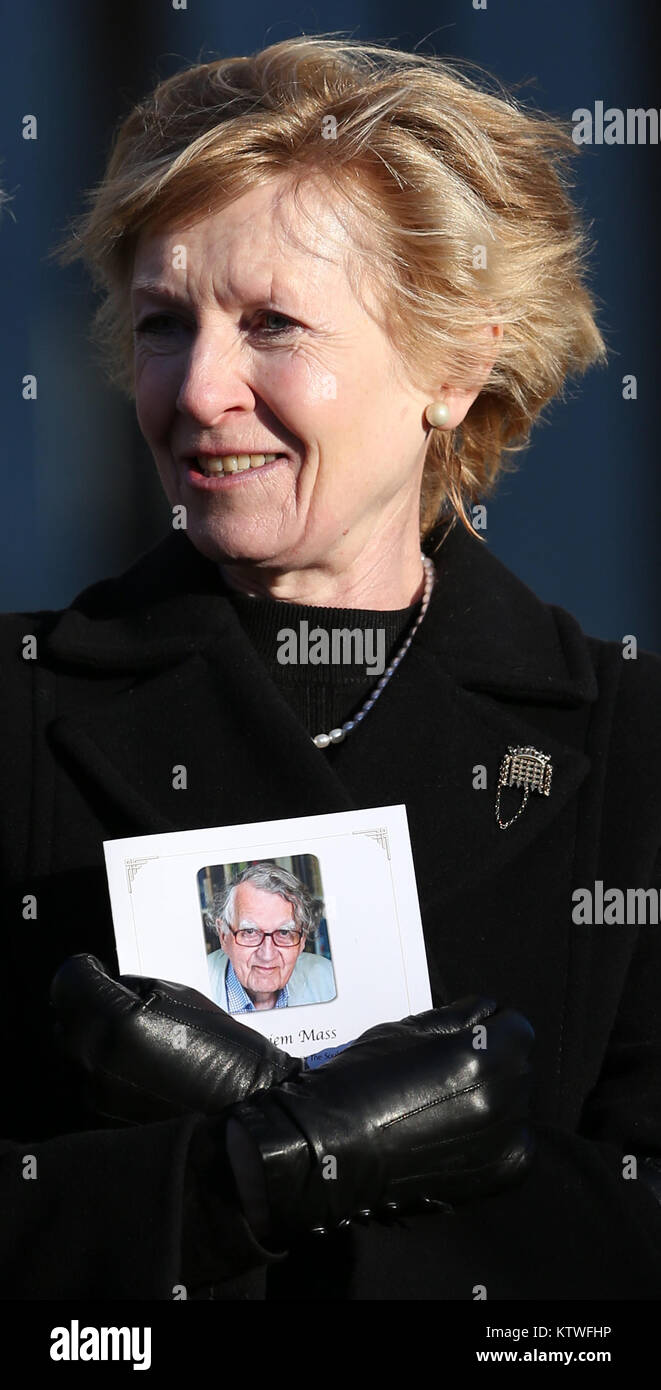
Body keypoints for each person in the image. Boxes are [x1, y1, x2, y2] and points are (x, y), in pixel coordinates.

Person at [2, 35, 661, 1302]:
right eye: (161, 324)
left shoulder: (629, 749)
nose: (199, 390)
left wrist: (368, 1150)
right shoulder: (19, 710)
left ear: (455, 367)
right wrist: (228, 1181)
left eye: (272, 326)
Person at [207, 862, 336, 1011]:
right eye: (250, 932)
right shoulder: (193, 985)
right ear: (224, 936)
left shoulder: (328, 978)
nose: (267, 955)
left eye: (284, 932)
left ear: (302, 940)